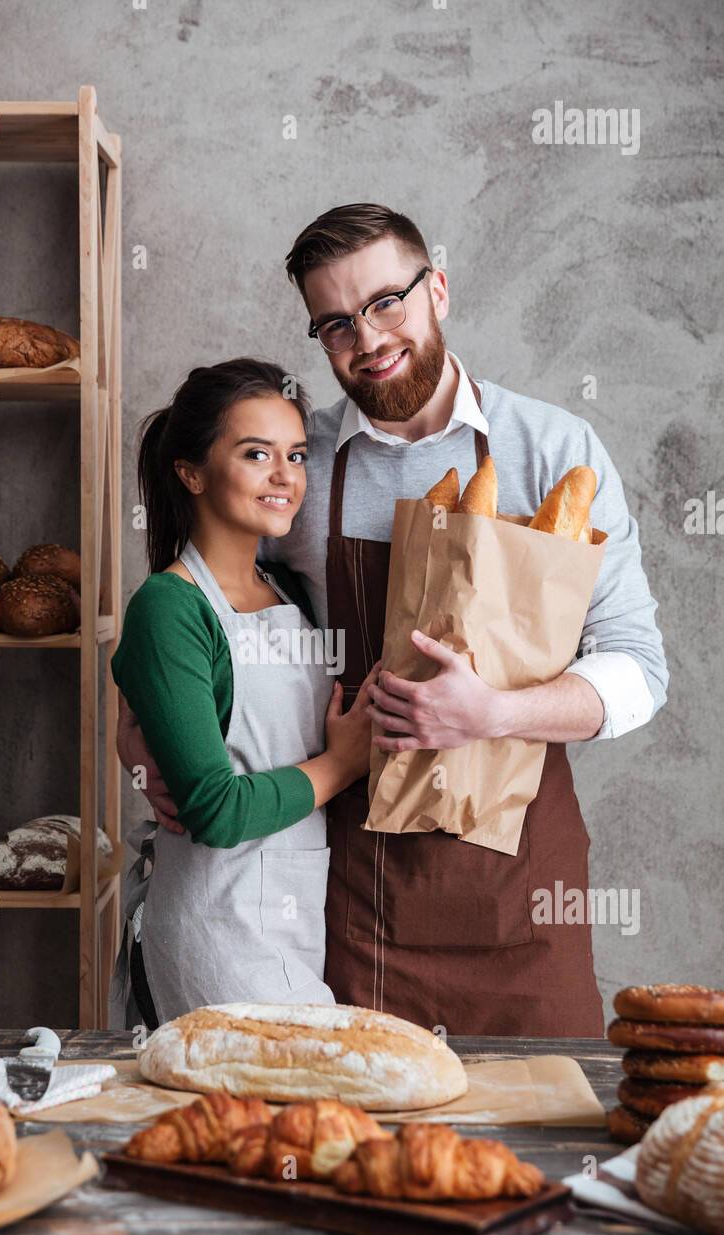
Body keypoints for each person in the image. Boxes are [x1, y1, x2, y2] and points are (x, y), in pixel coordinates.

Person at [119, 204, 668, 1038]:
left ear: (436, 288)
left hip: (519, 888)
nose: (368, 339)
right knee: (362, 1151)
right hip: (351, 893)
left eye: (386, 303)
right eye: (335, 324)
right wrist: (140, 739)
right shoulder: (300, 469)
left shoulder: (555, 450)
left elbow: (638, 670)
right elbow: (200, 620)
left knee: (544, 1135)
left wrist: (496, 712)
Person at [108, 358, 377, 1028]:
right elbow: (216, 812)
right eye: (257, 454)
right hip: (217, 935)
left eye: (295, 455)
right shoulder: (170, 606)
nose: (286, 476)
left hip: (287, 923)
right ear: (191, 472)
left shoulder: (282, 589)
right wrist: (342, 764)